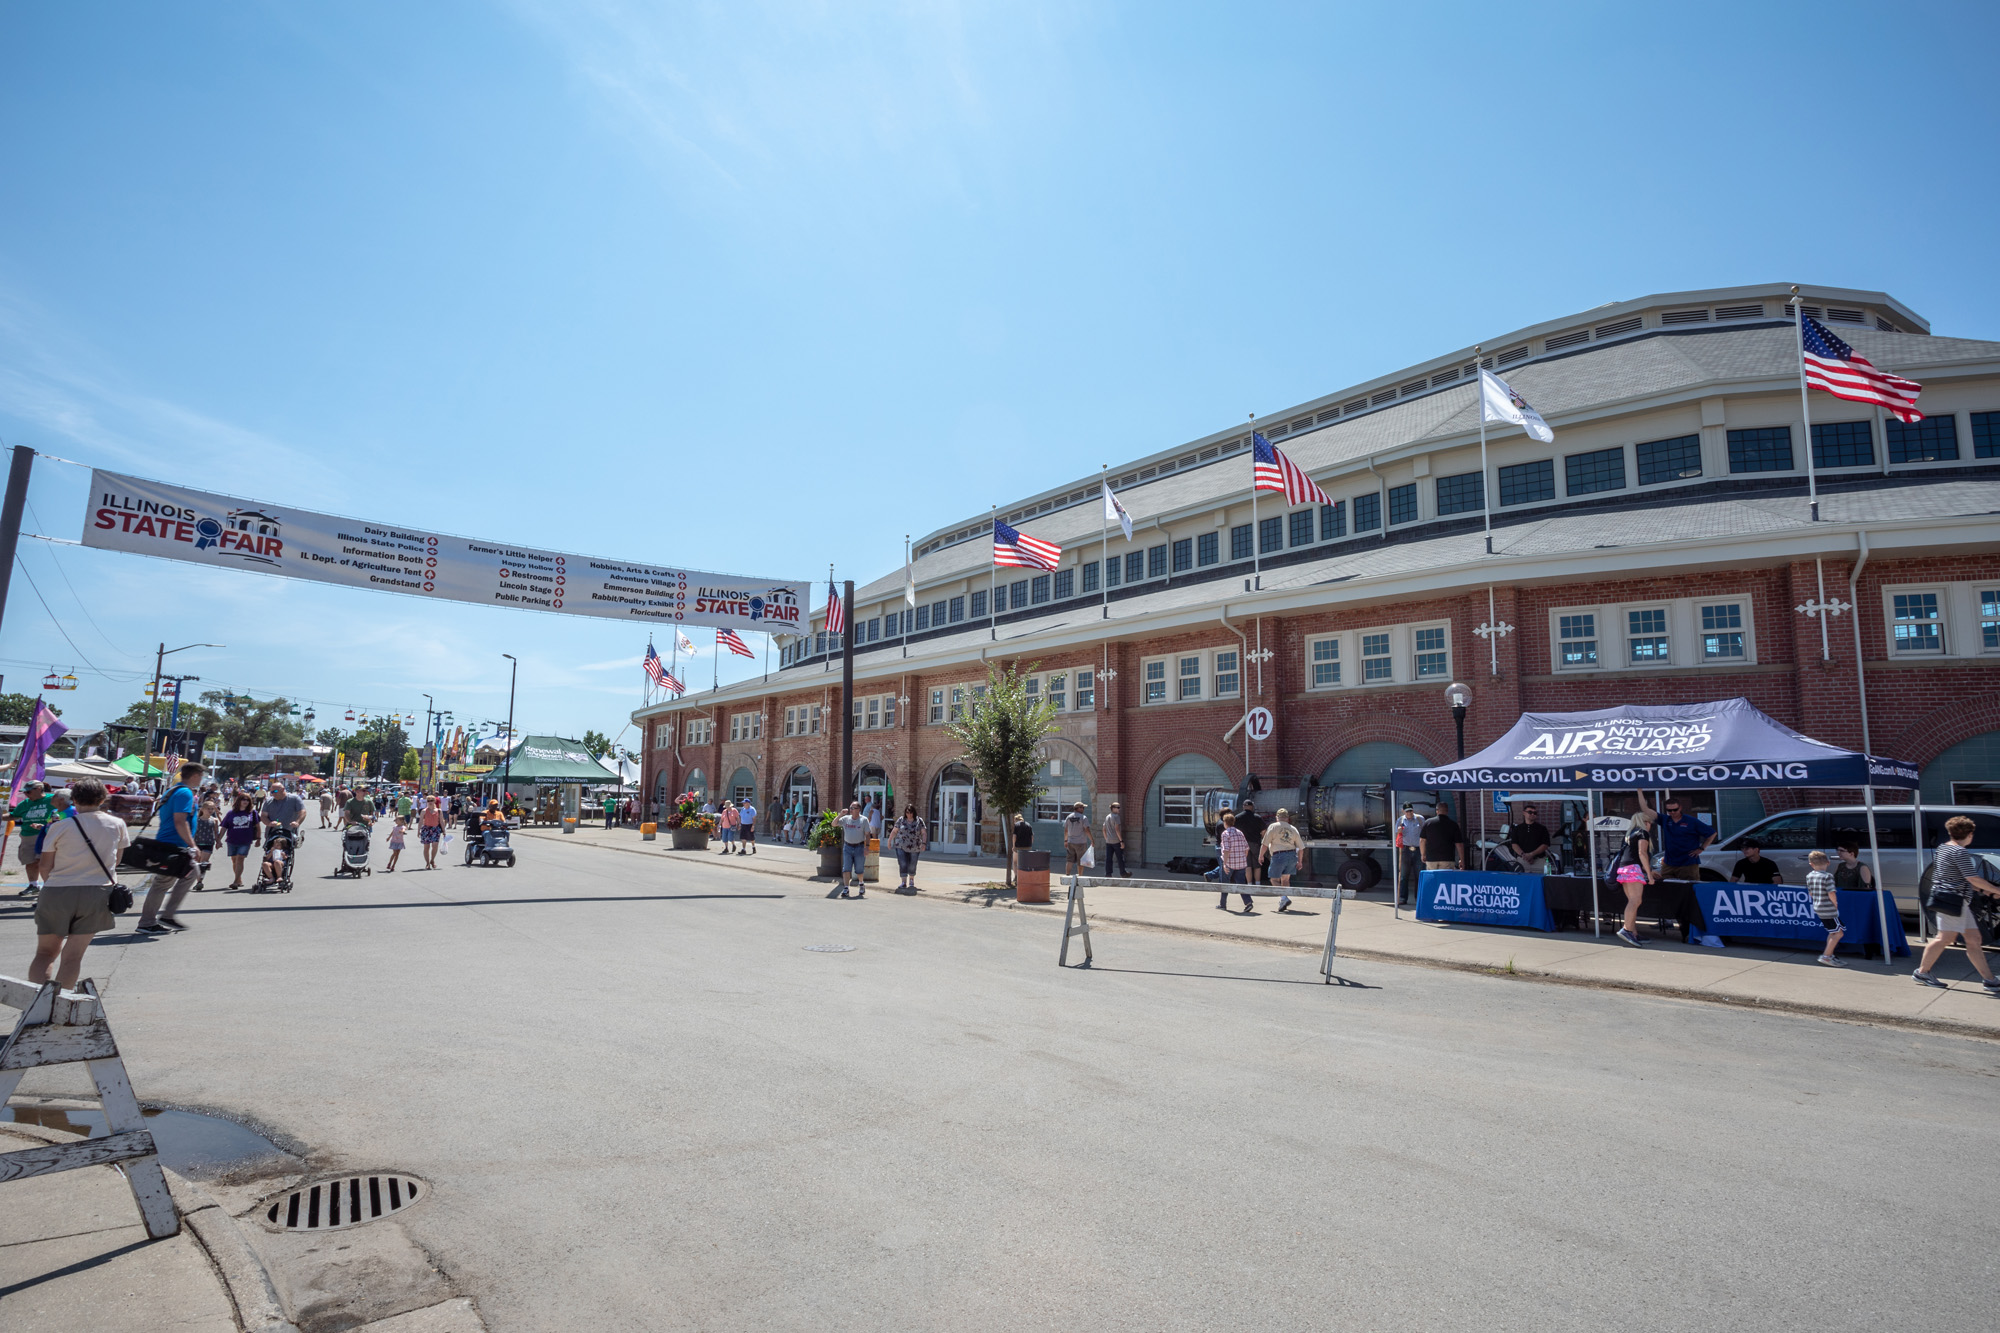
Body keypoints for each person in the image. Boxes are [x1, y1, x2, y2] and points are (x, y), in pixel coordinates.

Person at [25, 779, 129, 991]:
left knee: (45, 953)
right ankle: (62, 1006)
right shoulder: (117, 824)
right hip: (97, 892)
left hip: (57, 890)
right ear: (102, 799)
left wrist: (53, 883)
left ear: (74, 800)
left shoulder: (59, 827)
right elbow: (116, 861)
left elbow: (45, 865)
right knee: (73, 957)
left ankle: (35, 1005)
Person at [1913, 814, 2000, 991]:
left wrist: (1985, 891)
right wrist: (1997, 890)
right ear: (1969, 834)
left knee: (1974, 939)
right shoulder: (1959, 852)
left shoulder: (1943, 848)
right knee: (1943, 938)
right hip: (1952, 901)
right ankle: (1922, 972)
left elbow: (1958, 878)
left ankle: (1990, 980)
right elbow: (1972, 878)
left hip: (1955, 900)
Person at [138, 761, 207, 934]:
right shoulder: (184, 793)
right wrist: (193, 845)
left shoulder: (173, 790)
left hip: (170, 842)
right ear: (195, 775)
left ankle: (166, 915)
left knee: (190, 874)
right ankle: (147, 922)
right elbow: (179, 821)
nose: (201, 780)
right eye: (201, 776)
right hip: (173, 844)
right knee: (162, 883)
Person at [1611, 807, 1658, 948]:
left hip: (1624, 868)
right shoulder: (1642, 832)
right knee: (1635, 900)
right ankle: (1627, 930)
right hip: (1633, 869)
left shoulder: (1630, 833)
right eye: (1650, 822)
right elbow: (1642, 853)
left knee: (1633, 901)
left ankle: (1633, 932)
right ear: (1645, 822)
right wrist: (1649, 875)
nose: (1651, 825)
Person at [1648, 794, 1715, 881]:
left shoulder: (1691, 821)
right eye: (1669, 810)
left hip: (1688, 862)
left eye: (1675, 810)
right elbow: (1646, 810)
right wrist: (1639, 792)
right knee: (1667, 887)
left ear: (1680, 808)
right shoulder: (1666, 820)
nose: (1672, 812)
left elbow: (1712, 833)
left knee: (1689, 887)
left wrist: (1701, 848)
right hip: (1669, 862)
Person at [8, 780, 57, 899]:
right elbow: (13, 815)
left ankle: (49, 887)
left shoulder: (52, 799)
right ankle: (33, 885)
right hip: (27, 835)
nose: (26, 794)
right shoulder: (25, 803)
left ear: (39, 789)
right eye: (24, 792)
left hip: (46, 835)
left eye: (28, 792)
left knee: (44, 863)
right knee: (30, 862)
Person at [1804, 850, 1845, 967]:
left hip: (1818, 907)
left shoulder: (1810, 876)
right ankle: (1826, 956)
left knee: (1832, 932)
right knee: (1838, 933)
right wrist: (1835, 904)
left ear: (1811, 864)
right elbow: (1831, 892)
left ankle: (1829, 954)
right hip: (1828, 908)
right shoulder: (1828, 876)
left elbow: (1811, 893)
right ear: (1828, 862)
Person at [1263, 807, 1305, 912]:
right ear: (1287, 818)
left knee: (1273, 879)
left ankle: (1284, 898)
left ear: (1277, 817)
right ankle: (1283, 902)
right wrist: (1300, 861)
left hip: (1279, 856)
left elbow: (1264, 844)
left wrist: (1260, 856)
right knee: (1285, 880)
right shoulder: (1293, 828)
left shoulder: (1273, 826)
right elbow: (1301, 848)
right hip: (1291, 856)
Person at [220, 793, 259, 888]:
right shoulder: (231, 813)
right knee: (234, 860)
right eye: (243, 799)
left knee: (240, 859)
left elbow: (257, 827)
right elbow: (224, 827)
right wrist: (218, 840)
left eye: (247, 800)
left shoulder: (252, 813)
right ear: (239, 801)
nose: (245, 801)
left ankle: (235, 881)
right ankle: (239, 879)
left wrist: (258, 839)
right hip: (232, 839)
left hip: (245, 840)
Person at [1215, 811, 1253, 912]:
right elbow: (1246, 848)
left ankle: (1223, 904)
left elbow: (1226, 850)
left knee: (1225, 884)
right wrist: (1242, 858)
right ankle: (1248, 902)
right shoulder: (1240, 833)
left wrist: (1224, 863)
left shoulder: (1225, 833)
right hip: (1241, 863)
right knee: (1241, 884)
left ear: (1225, 822)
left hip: (1230, 863)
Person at [835, 801, 870, 897]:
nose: (851, 810)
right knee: (846, 868)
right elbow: (834, 824)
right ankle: (846, 888)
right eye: (850, 807)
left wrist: (867, 847)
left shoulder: (864, 820)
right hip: (848, 847)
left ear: (858, 810)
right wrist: (840, 814)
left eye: (853, 808)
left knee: (859, 869)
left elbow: (867, 834)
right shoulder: (846, 819)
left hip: (859, 847)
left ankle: (861, 884)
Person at [1504, 803, 1552, 873]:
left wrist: (1531, 854)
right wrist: (1524, 855)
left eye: (1535, 813)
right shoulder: (1517, 829)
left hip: (1539, 860)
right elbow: (1514, 844)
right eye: (1530, 812)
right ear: (1524, 813)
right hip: (1522, 860)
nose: (1533, 814)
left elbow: (1545, 844)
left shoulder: (1542, 828)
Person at [891, 803, 927, 889]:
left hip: (915, 846)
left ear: (914, 813)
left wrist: (924, 843)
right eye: (907, 812)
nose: (909, 814)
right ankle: (903, 882)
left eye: (911, 813)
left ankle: (911, 879)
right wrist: (889, 841)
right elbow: (894, 831)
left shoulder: (919, 821)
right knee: (902, 863)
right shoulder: (901, 820)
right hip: (901, 845)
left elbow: (924, 833)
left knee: (912, 864)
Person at [1420, 803, 1465, 872]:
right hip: (1447, 859)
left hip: (1431, 859)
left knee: (1433, 880)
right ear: (1447, 811)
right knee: (1445, 880)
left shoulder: (1428, 823)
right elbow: (1459, 844)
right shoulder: (1453, 824)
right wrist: (1462, 859)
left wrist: (1423, 854)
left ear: (1437, 811)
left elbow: (1422, 840)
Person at [1395, 803, 1424, 901]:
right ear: (1403, 811)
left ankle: (1418, 897)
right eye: (1407, 811)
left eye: (1410, 810)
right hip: (1405, 849)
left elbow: (1425, 834)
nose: (1409, 813)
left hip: (1418, 849)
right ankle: (1403, 897)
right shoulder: (1400, 820)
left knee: (1419, 874)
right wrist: (1399, 832)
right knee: (1403, 875)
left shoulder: (1420, 819)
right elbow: (1396, 835)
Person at [1234, 801, 1266, 888]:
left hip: (1243, 844)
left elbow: (1234, 830)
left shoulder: (1237, 817)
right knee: (1257, 865)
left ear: (1243, 806)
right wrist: (1263, 841)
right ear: (1252, 807)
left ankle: (1249, 884)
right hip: (1255, 843)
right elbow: (1263, 831)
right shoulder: (1257, 817)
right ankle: (1258, 884)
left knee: (1247, 865)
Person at [1062, 801, 1092, 878]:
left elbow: (1066, 830)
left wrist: (1065, 840)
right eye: (1082, 807)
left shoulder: (1069, 817)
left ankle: (1067, 875)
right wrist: (1092, 840)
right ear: (1078, 808)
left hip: (1070, 842)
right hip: (1081, 842)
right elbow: (1087, 830)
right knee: (1081, 860)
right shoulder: (1083, 817)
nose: (1083, 809)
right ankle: (1080, 876)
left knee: (1069, 860)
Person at [1102, 801, 1128, 878]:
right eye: (1118, 807)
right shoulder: (1116, 817)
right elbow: (1117, 829)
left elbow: (1103, 829)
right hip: (1116, 841)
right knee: (1120, 858)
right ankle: (1123, 873)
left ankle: (1108, 873)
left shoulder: (1107, 816)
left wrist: (1106, 838)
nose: (1119, 809)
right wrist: (1121, 841)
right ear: (1113, 808)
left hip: (1108, 841)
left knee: (1109, 858)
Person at [419, 795, 444, 869]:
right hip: (426, 829)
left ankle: (432, 860)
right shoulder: (424, 811)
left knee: (435, 846)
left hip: (435, 829)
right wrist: (418, 831)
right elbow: (420, 822)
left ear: (434, 801)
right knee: (426, 847)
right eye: (428, 801)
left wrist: (444, 831)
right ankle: (427, 863)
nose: (430, 802)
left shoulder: (439, 811)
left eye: (431, 800)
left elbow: (441, 821)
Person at [1010, 812, 1034, 881]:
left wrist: (1013, 846)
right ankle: (1025, 876)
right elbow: (1032, 837)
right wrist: (1030, 845)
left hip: (1018, 846)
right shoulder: (1029, 825)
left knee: (1015, 862)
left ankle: (1016, 876)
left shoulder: (1016, 826)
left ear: (1015, 820)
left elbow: (1014, 836)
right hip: (1027, 847)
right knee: (1025, 862)